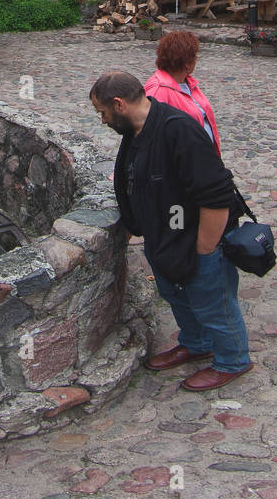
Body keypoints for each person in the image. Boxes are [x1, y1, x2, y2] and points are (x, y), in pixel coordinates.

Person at [91, 69, 255, 391]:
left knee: (213, 303)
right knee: (176, 296)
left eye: (103, 113)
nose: (103, 121)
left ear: (119, 104)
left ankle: (232, 360)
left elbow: (217, 197)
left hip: (196, 241)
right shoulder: (135, 132)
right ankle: (196, 343)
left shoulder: (179, 131)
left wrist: (205, 250)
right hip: (165, 239)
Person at [144, 28, 220, 149]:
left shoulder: (188, 82)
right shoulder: (158, 91)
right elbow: (151, 138)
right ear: (187, 63)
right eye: (194, 56)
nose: (196, 60)